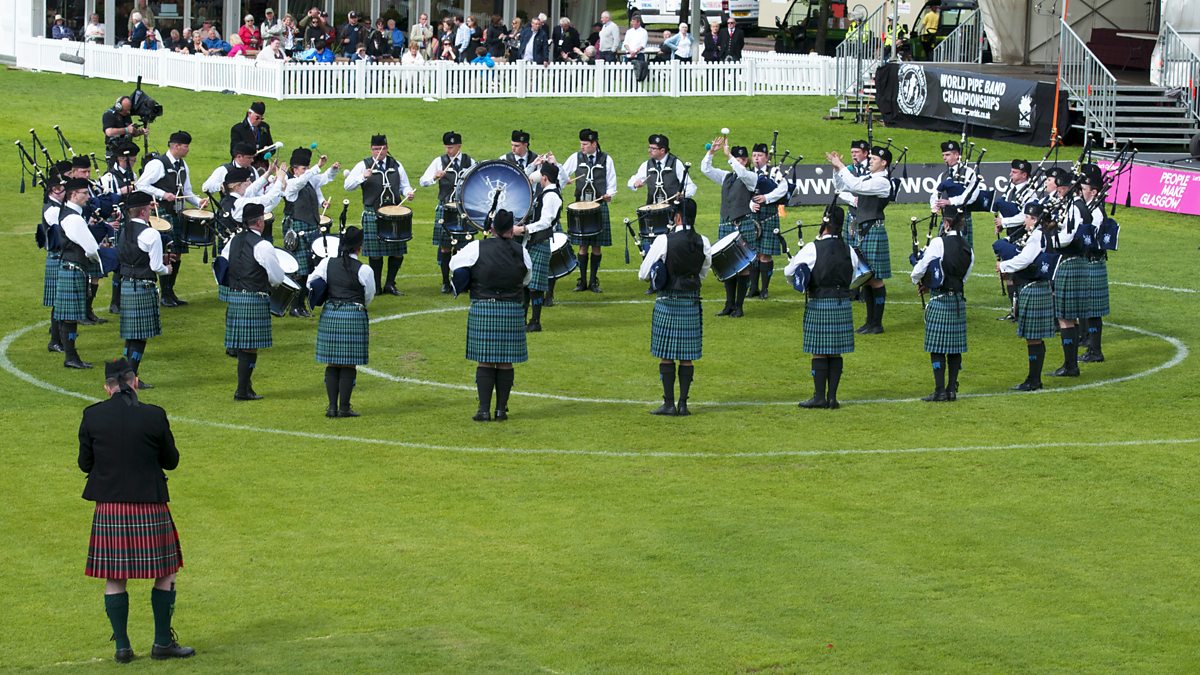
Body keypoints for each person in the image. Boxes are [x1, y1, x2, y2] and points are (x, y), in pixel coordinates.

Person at [78, 357, 194, 664]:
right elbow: (171, 460)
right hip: (149, 505)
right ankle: (161, 643)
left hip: (110, 509)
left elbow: (84, 464)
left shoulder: (92, 416)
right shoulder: (154, 416)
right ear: (135, 382)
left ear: (108, 388)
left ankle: (123, 648)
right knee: (166, 571)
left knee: (115, 577)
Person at [449, 210, 532, 421]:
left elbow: (454, 265)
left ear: (492, 228)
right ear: (512, 230)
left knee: (485, 361)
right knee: (506, 362)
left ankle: (484, 410)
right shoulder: (522, 251)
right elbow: (526, 280)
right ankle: (501, 410)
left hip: (484, 307)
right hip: (512, 309)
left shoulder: (477, 247)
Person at [638, 197, 712, 416]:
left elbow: (643, 273)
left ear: (677, 216)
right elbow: (704, 271)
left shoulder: (664, 240)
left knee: (667, 354)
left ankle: (668, 403)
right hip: (690, 300)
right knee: (686, 356)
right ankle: (683, 404)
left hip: (668, 301)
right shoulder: (703, 241)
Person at [784, 206, 860, 409]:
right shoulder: (849, 249)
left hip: (820, 301)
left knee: (819, 351)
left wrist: (802, 285)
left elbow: (790, 272)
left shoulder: (812, 248)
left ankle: (819, 397)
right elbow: (853, 276)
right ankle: (833, 398)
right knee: (835, 352)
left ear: (824, 222)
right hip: (841, 302)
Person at [220, 202, 286, 400]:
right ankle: (242, 390)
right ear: (259, 222)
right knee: (250, 346)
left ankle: (245, 387)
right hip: (254, 297)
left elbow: (222, 264)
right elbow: (277, 278)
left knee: (242, 345)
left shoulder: (233, 241)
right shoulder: (263, 245)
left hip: (235, 296)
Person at [135, 130, 207, 308]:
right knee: (167, 252)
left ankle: (170, 291)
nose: (188, 149)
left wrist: (199, 202)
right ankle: (164, 294)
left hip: (178, 213)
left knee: (177, 253)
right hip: (162, 215)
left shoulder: (183, 165)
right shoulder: (158, 164)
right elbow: (141, 184)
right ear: (175, 146)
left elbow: (187, 191)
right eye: (185, 146)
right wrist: (162, 194)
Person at [309, 226, 375, 417]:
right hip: (353, 314)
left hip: (331, 312)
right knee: (348, 363)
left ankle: (331, 407)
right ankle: (344, 408)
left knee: (332, 363)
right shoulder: (364, 269)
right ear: (359, 247)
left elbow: (312, 284)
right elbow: (369, 295)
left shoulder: (327, 263)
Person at [910, 206, 973, 401]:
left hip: (940, 299)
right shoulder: (967, 246)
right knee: (954, 348)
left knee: (936, 348)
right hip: (957, 300)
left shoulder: (938, 242)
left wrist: (917, 279)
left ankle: (939, 391)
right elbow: (965, 276)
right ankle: (951, 390)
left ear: (946, 222)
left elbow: (924, 265)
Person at [830, 145, 892, 333]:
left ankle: (877, 323)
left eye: (874, 159)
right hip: (864, 230)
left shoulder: (882, 182)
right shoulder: (870, 177)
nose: (870, 161)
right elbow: (843, 187)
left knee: (876, 278)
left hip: (873, 230)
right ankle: (869, 321)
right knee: (866, 277)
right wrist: (836, 170)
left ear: (884, 163)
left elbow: (855, 185)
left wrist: (841, 165)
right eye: (871, 158)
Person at [344, 134, 416, 295]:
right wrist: (362, 177)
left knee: (397, 252)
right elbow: (347, 186)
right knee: (375, 255)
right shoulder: (364, 165)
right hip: (373, 213)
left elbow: (404, 186)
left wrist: (408, 193)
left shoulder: (396, 165)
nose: (379, 152)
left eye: (382, 149)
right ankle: (376, 286)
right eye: (375, 149)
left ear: (387, 148)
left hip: (395, 214)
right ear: (371, 149)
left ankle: (390, 283)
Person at [116, 191, 172, 387]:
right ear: (143, 211)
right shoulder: (151, 233)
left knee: (131, 336)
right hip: (143, 285)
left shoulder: (123, 230)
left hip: (127, 284)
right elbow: (157, 267)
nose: (151, 210)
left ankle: (124, 375)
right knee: (139, 338)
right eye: (149, 207)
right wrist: (168, 268)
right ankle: (131, 380)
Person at [997, 202, 1055, 391]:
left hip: (1034, 288)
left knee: (1033, 337)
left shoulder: (1037, 236)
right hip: (1040, 287)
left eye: (1028, 218)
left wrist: (1004, 266)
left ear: (1034, 219)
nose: (1025, 221)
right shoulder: (1043, 234)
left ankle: (1033, 380)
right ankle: (1034, 378)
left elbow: (1025, 260)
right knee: (1035, 336)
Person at [700, 137, 757, 317]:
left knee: (744, 266)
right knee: (727, 266)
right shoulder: (726, 177)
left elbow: (741, 172)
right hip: (726, 224)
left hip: (743, 224)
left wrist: (729, 157)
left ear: (745, 161)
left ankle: (739, 306)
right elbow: (705, 169)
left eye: (741, 160)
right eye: (736, 159)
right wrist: (711, 152)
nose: (737, 163)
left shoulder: (751, 177)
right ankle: (729, 304)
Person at [282, 148, 339, 316]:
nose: (306, 171)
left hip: (311, 228)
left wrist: (332, 170)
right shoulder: (290, 184)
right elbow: (302, 181)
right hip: (297, 230)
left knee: (309, 268)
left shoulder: (308, 180)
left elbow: (322, 179)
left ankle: (302, 304)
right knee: (299, 270)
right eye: (303, 168)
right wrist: (317, 166)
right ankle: (294, 306)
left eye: (307, 168)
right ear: (294, 169)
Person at [559, 128, 617, 292]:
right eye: (581, 143)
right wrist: (566, 180)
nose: (582, 147)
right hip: (581, 207)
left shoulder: (606, 159)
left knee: (597, 246)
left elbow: (611, 182)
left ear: (594, 143)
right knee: (582, 246)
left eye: (585, 144)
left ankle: (593, 281)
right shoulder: (575, 157)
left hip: (599, 206)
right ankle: (582, 281)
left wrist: (609, 195)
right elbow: (561, 174)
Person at [55, 178, 102, 369]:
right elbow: (90, 248)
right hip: (74, 267)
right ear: (73, 195)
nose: (88, 196)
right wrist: (97, 259)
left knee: (70, 315)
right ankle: (71, 357)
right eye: (85, 193)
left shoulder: (72, 213)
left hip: (71, 267)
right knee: (70, 316)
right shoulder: (73, 218)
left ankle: (72, 356)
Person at [1046, 169, 1089, 378]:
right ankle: (1070, 364)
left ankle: (1071, 366)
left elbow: (1066, 239)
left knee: (1065, 318)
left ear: (1064, 188)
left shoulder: (1075, 208)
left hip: (1070, 262)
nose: (1059, 192)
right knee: (1068, 318)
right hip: (1075, 263)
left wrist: (1048, 235)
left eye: (1060, 189)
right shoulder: (1077, 205)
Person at [419, 131, 474, 293]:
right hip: (445, 208)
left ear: (459, 146)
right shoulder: (439, 161)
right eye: (446, 147)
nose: (448, 150)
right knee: (445, 247)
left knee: (462, 248)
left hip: (463, 209)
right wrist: (435, 177)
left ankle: (460, 282)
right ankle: (444, 281)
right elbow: (423, 182)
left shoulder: (469, 161)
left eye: (451, 147)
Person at [516, 163, 561, 332]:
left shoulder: (551, 196)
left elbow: (545, 222)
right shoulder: (545, 193)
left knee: (535, 286)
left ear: (545, 177)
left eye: (540, 175)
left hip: (540, 242)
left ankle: (535, 321)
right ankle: (522, 319)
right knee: (526, 283)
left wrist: (524, 229)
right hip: (532, 241)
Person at [992, 159, 1038, 320]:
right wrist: (1000, 221)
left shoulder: (1030, 193)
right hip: (1010, 232)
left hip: (1022, 233)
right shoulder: (1011, 187)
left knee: (1017, 271)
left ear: (1024, 174)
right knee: (1008, 272)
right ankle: (1014, 309)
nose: (1011, 174)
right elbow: (1004, 205)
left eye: (1015, 172)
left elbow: (1025, 216)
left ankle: (1020, 309)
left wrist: (1004, 222)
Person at [100, 141, 142, 315]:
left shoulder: (133, 175)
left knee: (129, 258)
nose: (132, 163)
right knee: (119, 261)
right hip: (117, 220)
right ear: (121, 159)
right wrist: (123, 191)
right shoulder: (108, 177)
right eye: (130, 160)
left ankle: (124, 299)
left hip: (131, 220)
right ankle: (115, 302)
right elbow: (103, 200)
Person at [745, 143, 789, 299]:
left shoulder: (775, 172)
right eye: (754, 155)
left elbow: (783, 189)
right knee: (753, 254)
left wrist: (766, 198)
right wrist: (751, 203)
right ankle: (753, 288)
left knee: (765, 254)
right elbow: (743, 192)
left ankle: (764, 289)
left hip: (769, 215)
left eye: (760, 156)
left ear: (766, 157)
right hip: (752, 216)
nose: (757, 158)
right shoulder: (748, 173)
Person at [1078, 173, 1110, 363]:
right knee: (1089, 308)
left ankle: (1095, 350)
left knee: (1093, 310)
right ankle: (1091, 347)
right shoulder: (1090, 208)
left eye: (1084, 189)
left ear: (1094, 191)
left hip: (1092, 261)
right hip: (1088, 262)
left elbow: (1091, 239)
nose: (1081, 192)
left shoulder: (1096, 213)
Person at [930, 140, 979, 248]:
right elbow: (935, 194)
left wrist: (950, 202)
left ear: (957, 155)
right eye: (943, 155)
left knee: (962, 255)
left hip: (962, 219)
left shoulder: (969, 173)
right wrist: (935, 206)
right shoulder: (943, 175)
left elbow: (971, 196)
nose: (944, 158)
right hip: (946, 218)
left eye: (947, 155)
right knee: (942, 252)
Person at [627, 133, 697, 205]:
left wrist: (682, 195)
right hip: (653, 209)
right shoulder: (646, 165)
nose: (649, 150)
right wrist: (635, 184)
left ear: (662, 150)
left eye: (653, 148)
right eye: (649, 147)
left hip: (674, 210)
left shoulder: (676, 164)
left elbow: (690, 186)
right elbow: (630, 182)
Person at [41, 176, 67, 354]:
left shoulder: (59, 207)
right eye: (60, 188)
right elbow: (64, 228)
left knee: (61, 302)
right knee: (58, 302)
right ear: (52, 190)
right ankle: (55, 340)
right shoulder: (51, 210)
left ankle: (60, 337)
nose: (63, 192)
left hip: (61, 256)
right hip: (57, 256)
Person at [102, 96, 147, 166]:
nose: (128, 112)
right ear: (118, 106)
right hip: (114, 150)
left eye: (128, 110)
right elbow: (109, 132)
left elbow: (130, 131)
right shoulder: (109, 115)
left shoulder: (126, 115)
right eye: (125, 110)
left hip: (127, 148)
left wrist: (140, 131)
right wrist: (126, 129)